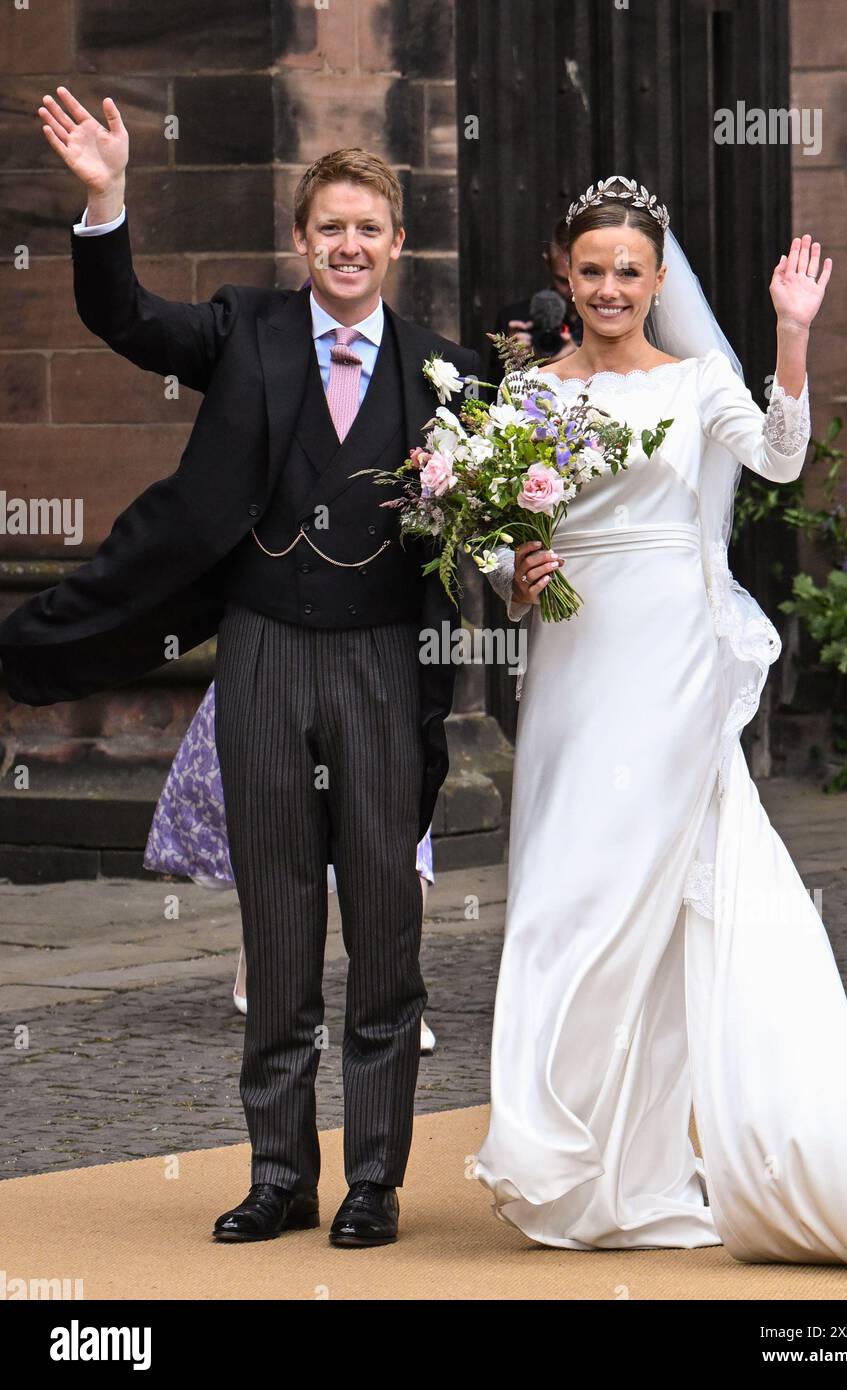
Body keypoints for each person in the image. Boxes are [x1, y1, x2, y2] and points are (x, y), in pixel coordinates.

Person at [0, 86, 479, 1247]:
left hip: (377, 661)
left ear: (396, 244)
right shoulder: (243, 331)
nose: (349, 245)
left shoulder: (449, 375)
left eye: (369, 227)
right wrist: (108, 199)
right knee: (274, 931)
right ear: (300, 242)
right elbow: (126, 319)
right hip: (261, 655)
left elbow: (532, 478)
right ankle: (279, 1173)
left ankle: (371, 1177)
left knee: (383, 929)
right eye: (330, 228)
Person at [473, 174, 847, 1300]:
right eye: (589, 270)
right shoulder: (523, 394)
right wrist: (512, 574)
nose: (608, 289)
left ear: (655, 278)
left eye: (628, 271)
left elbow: (779, 456)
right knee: (560, 893)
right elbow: (499, 552)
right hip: (570, 664)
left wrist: (788, 336)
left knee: (625, 888)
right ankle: (591, 1170)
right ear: (563, 271)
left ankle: (609, 1157)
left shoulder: (694, 383)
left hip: (667, 662)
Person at [142, 678, 438, 1052]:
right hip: (278, 667)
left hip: (373, 671)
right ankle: (263, 959)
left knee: (403, 852)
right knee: (277, 837)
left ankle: (396, 996)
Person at [485, 216, 581, 385]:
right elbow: (491, 399)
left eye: (580, 280)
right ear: (547, 263)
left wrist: (580, 359)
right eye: (563, 281)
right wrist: (514, 362)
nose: (572, 291)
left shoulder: (605, 319)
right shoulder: (515, 317)